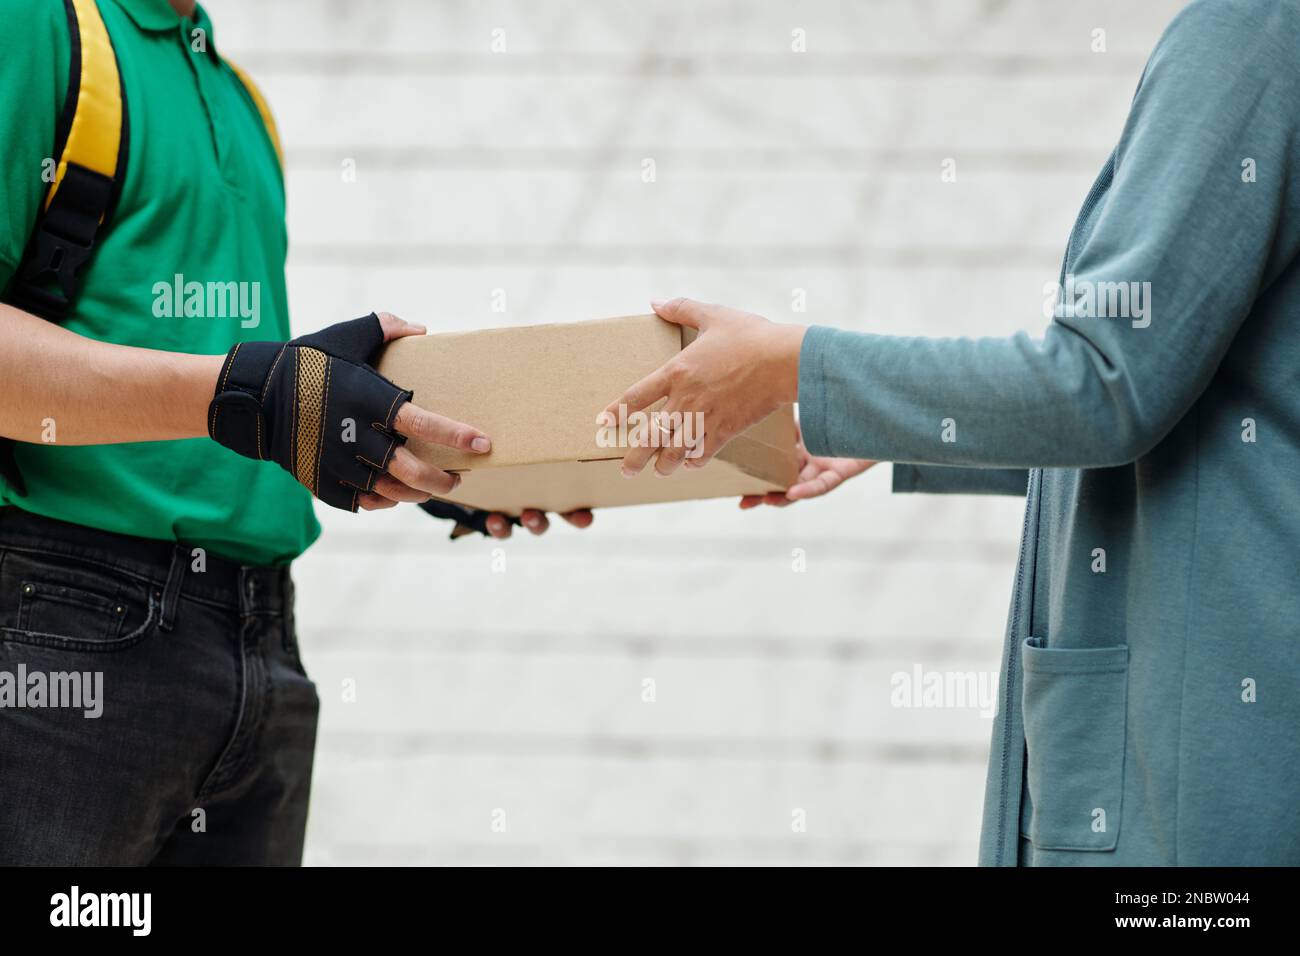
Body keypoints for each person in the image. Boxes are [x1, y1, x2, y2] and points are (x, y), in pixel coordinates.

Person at [608, 0, 1300, 866]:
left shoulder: (1255, 32)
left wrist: (791, 363)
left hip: (1200, 792)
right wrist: (891, 423)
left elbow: (1106, 384)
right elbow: (1210, 405)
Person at [0, 0, 588, 865]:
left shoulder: (240, 98)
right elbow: (235, 388)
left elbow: (220, 390)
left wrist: (401, 453)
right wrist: (254, 393)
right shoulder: (40, 27)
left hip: (262, 637)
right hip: (69, 628)